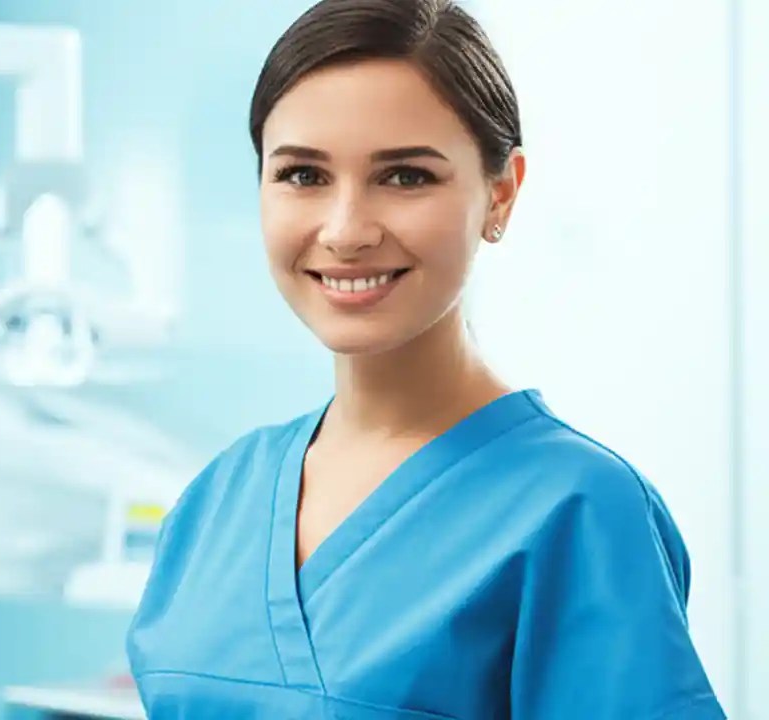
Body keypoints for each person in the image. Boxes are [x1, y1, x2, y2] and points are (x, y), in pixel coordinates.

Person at [124, 0, 727, 717]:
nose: (346, 232)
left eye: (405, 176)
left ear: (499, 194)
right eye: (303, 176)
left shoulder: (578, 510)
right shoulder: (214, 503)